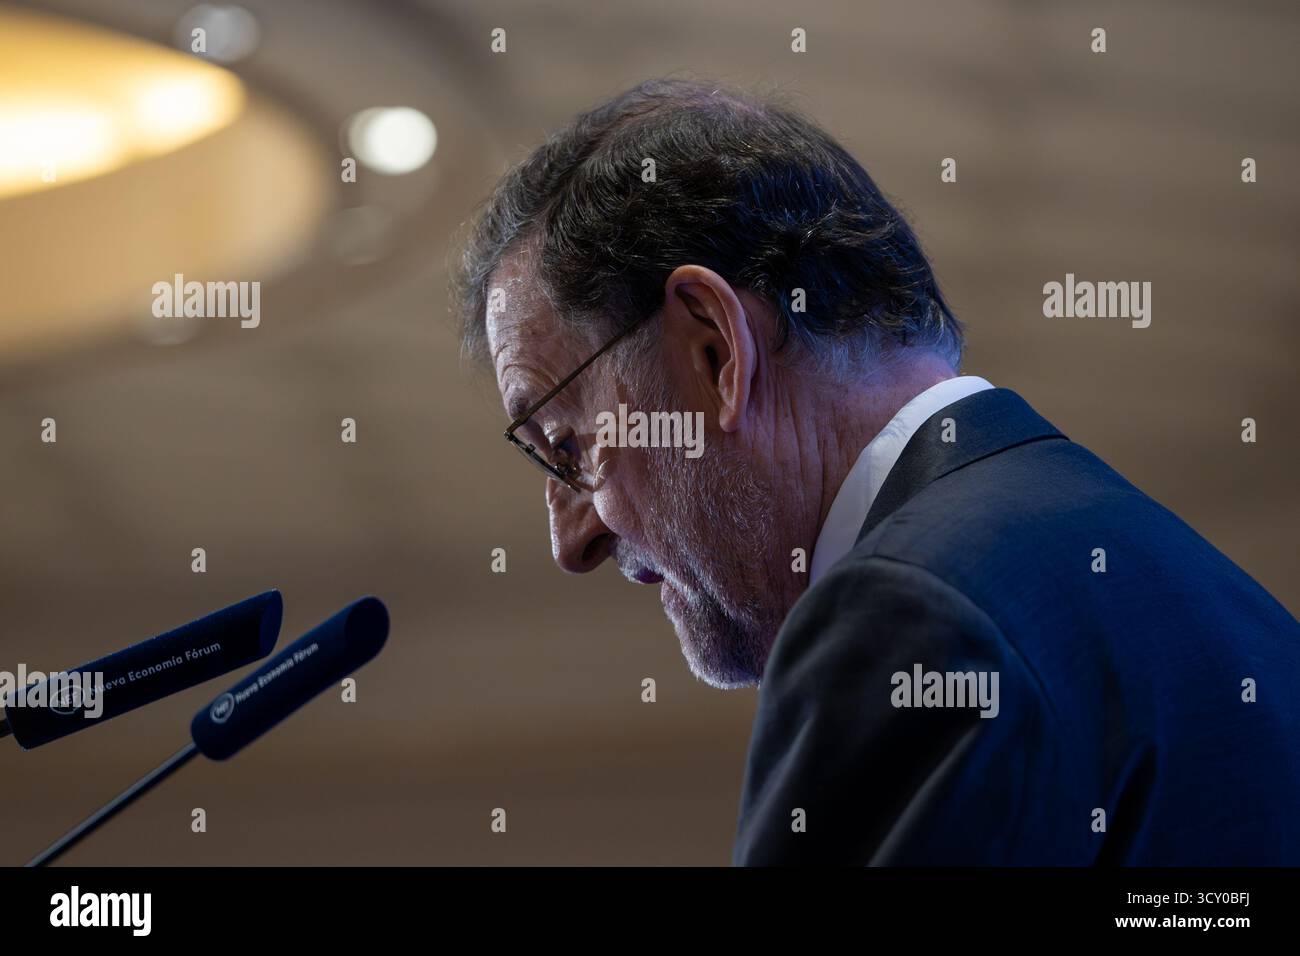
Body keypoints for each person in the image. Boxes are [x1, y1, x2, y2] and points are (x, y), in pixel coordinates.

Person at [452, 78, 1300, 865]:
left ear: (712, 351)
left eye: (568, 446)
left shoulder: (910, 616)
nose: (573, 539)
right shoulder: (1221, 604)